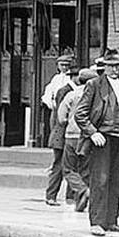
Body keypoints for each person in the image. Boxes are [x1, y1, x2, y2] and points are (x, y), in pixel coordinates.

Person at [75, 50, 119, 236]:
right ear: (105, 67)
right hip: (101, 140)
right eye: (111, 66)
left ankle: (111, 221)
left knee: (116, 180)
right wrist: (93, 133)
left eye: (118, 66)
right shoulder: (94, 85)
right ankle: (97, 222)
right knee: (100, 181)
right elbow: (80, 114)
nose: (115, 69)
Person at [59, 68, 94, 212]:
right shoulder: (95, 95)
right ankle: (81, 203)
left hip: (71, 136)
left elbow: (61, 117)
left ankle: (82, 190)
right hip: (87, 136)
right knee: (84, 170)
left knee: (68, 169)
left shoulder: (71, 95)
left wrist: (69, 122)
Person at [45, 61, 79, 206]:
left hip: (66, 134)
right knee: (60, 166)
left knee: (69, 165)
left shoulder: (70, 90)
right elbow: (62, 115)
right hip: (62, 134)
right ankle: (51, 195)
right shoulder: (65, 91)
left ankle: (69, 197)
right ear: (74, 77)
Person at [41, 53, 76, 182]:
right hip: (56, 112)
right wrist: (52, 104)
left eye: (67, 65)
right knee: (56, 134)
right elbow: (47, 95)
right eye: (62, 65)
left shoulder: (70, 80)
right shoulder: (56, 79)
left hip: (67, 112)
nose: (64, 68)